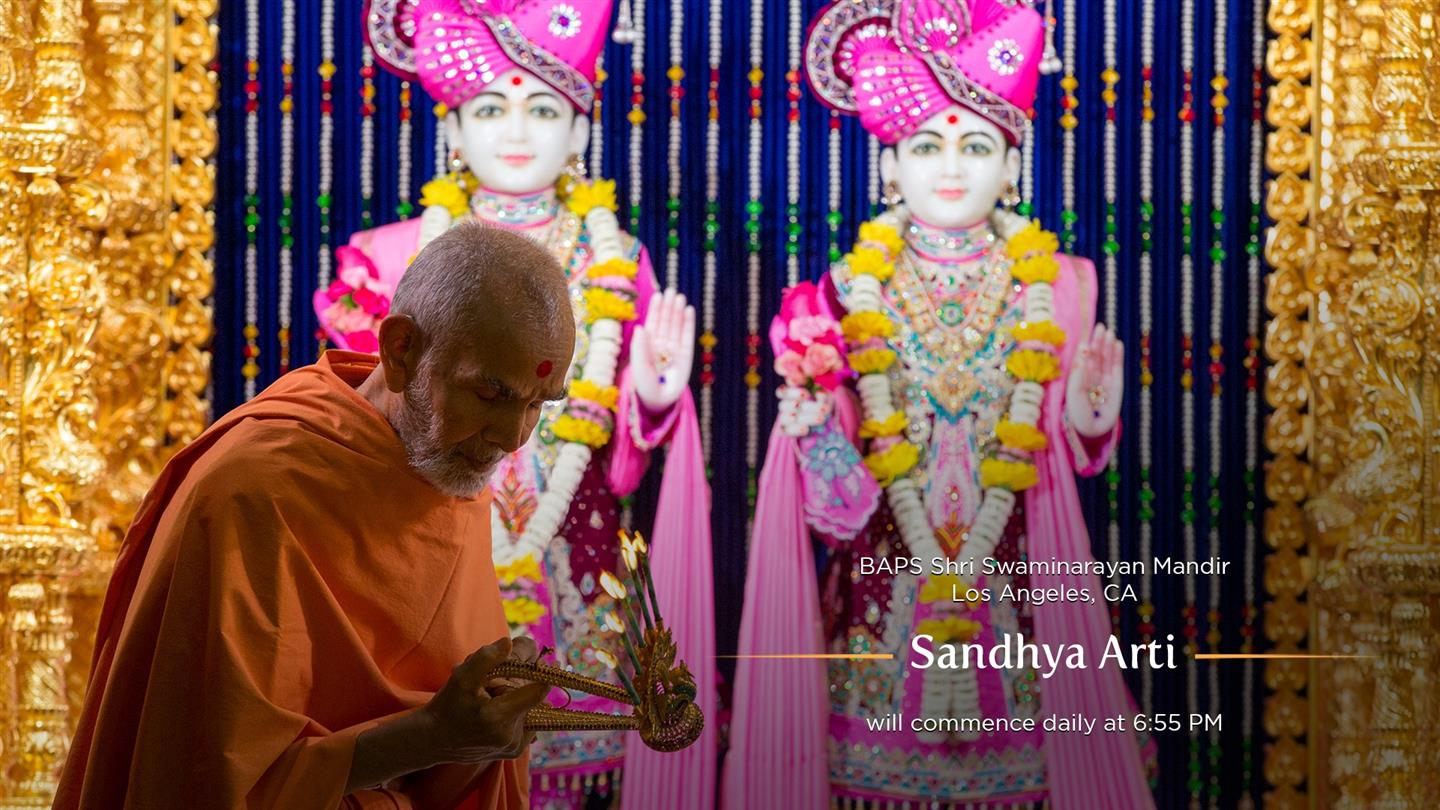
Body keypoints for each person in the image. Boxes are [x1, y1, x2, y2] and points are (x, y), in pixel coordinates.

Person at [725, 1, 1154, 808]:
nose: (950, 165)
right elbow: (839, 507)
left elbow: (1061, 464)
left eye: (975, 144)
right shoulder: (841, 295)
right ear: (890, 165)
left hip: (1017, 599)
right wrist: (814, 433)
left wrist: (1091, 428)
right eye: (927, 144)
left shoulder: (1061, 284)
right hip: (882, 600)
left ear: (1012, 164)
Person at [320, 3, 716, 807]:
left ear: (578, 135)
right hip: (418, 543)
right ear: (453, 130)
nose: (517, 128)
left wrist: (649, 398)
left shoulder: (619, 262)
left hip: (576, 544)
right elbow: (360, 429)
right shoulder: (388, 255)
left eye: (543, 108)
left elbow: (622, 441)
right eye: (491, 107)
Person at [55, 223, 578, 809]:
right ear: (401, 350)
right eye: (490, 394)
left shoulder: (449, 467)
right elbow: (208, 774)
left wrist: (489, 725)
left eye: (538, 403)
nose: (512, 437)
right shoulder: (254, 491)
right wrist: (432, 737)